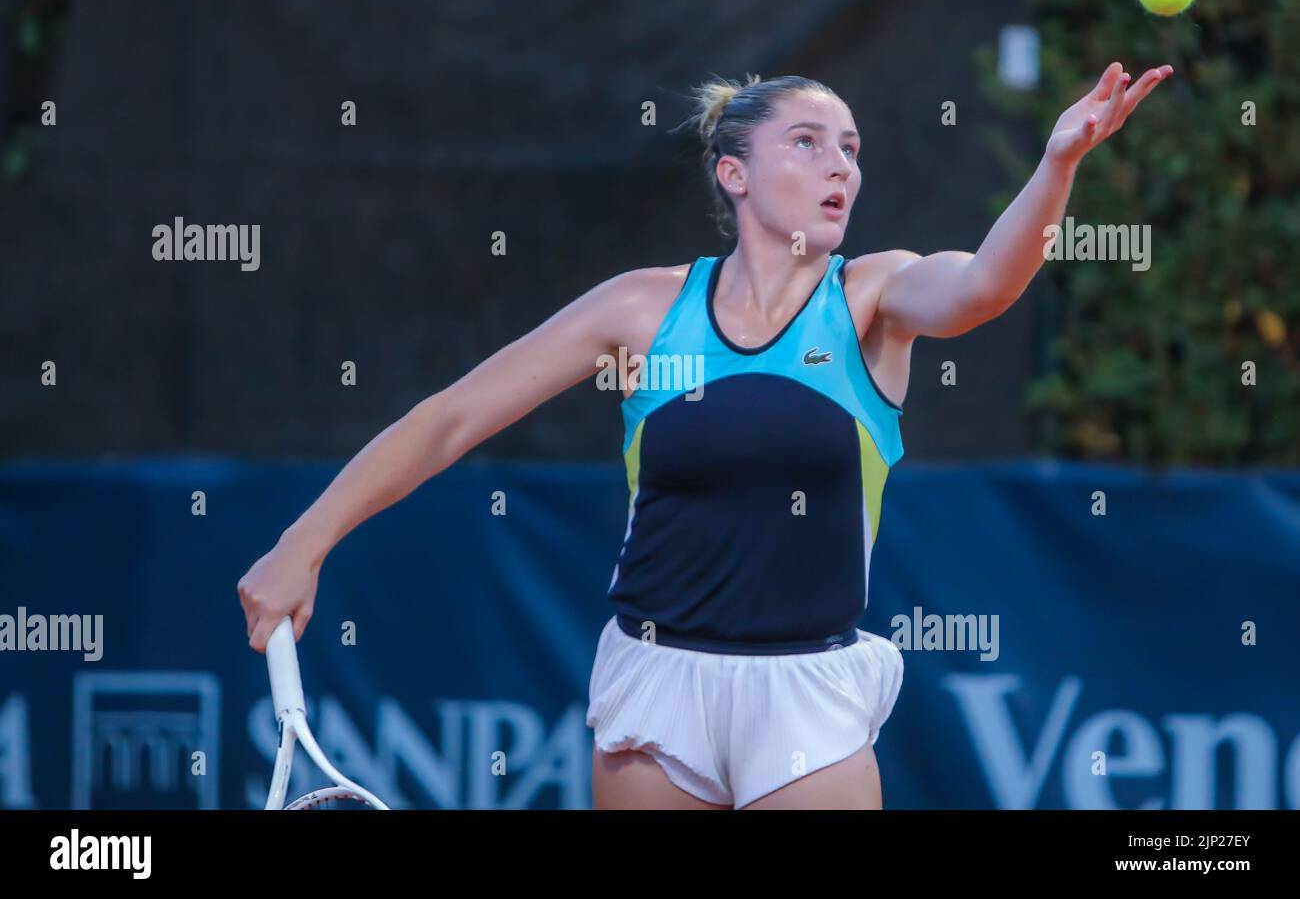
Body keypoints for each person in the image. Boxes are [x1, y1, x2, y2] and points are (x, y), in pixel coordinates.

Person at [238, 63, 1171, 809]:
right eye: (807, 144)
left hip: (809, 692)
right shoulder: (643, 311)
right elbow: (450, 421)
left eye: (850, 147)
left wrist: (1058, 165)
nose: (840, 164)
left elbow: (986, 288)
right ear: (736, 173)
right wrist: (302, 543)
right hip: (655, 686)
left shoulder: (875, 296)